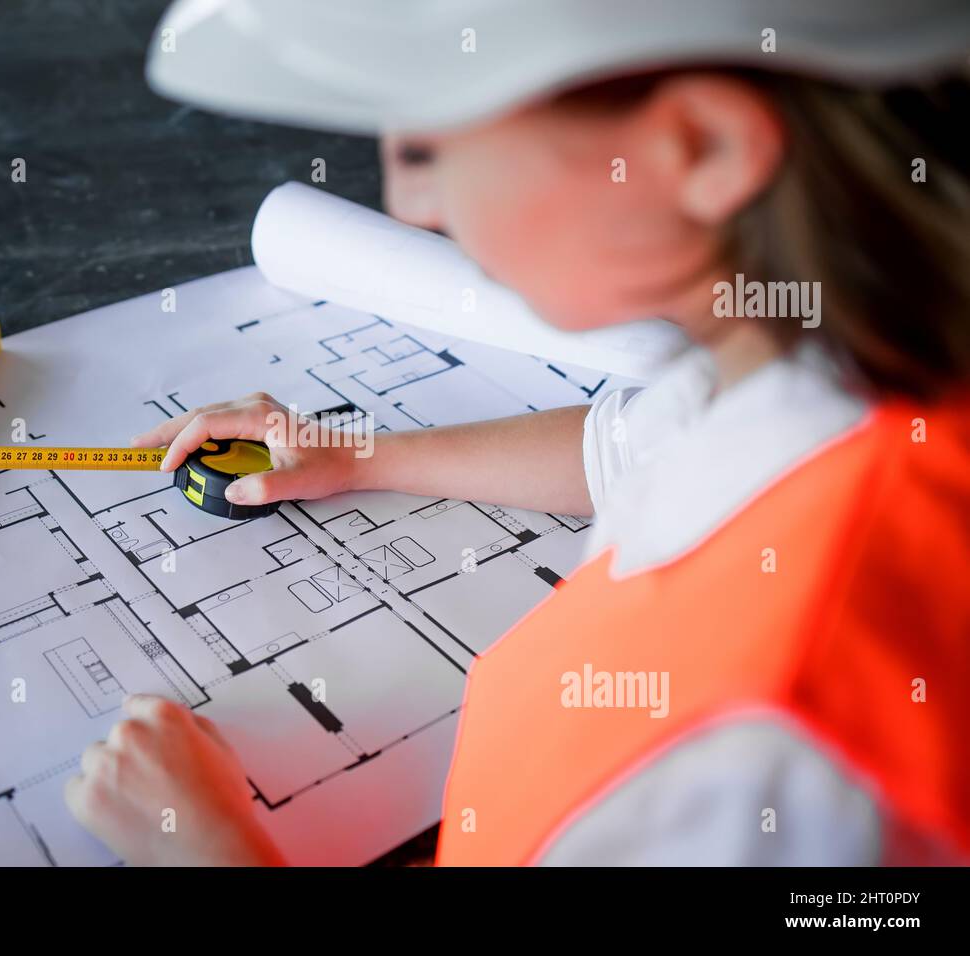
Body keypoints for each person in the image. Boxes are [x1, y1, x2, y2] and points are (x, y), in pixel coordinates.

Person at [64, 0, 970, 865]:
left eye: (427, 143)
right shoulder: (825, 362)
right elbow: (636, 447)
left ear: (705, 146)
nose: (408, 200)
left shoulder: (765, 761)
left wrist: (208, 847)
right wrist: (363, 456)